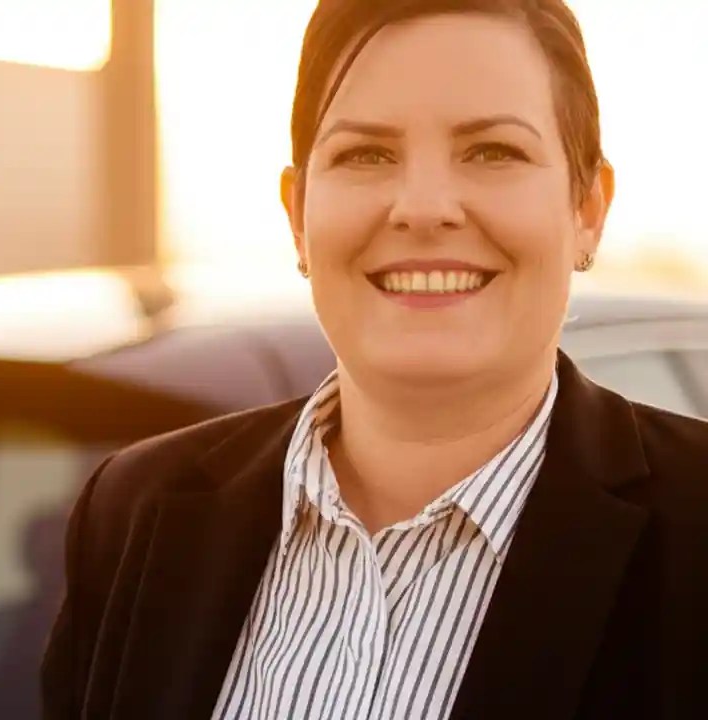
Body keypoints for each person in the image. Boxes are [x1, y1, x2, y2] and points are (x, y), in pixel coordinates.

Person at [41, 0, 708, 718]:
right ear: (298, 216)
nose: (422, 208)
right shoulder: (136, 512)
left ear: (588, 208)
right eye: (367, 154)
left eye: (492, 152)